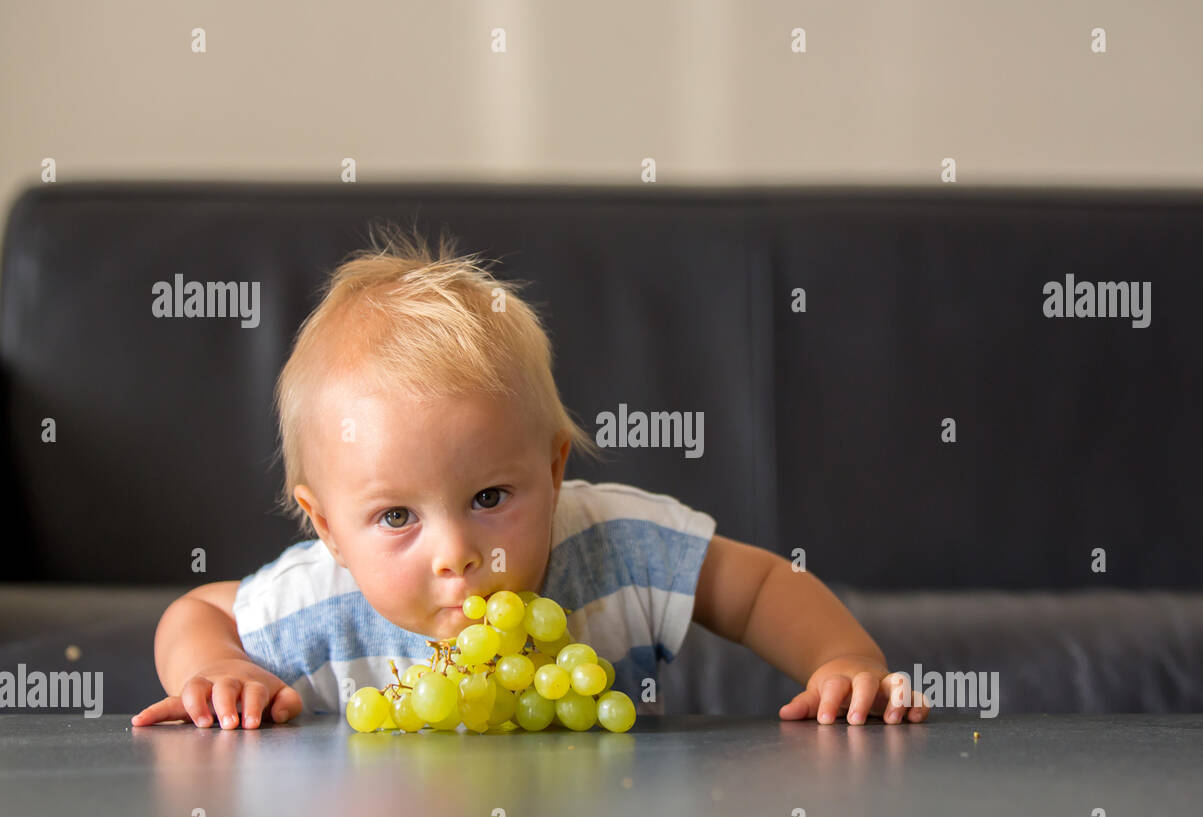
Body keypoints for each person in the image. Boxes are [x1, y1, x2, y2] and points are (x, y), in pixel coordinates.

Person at [132, 225, 929, 731]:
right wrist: (214, 669)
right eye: (396, 517)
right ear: (327, 528)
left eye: (488, 498)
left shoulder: (618, 548)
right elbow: (199, 609)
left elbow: (757, 587)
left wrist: (842, 660)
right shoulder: (324, 606)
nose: (456, 554)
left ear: (553, 469)